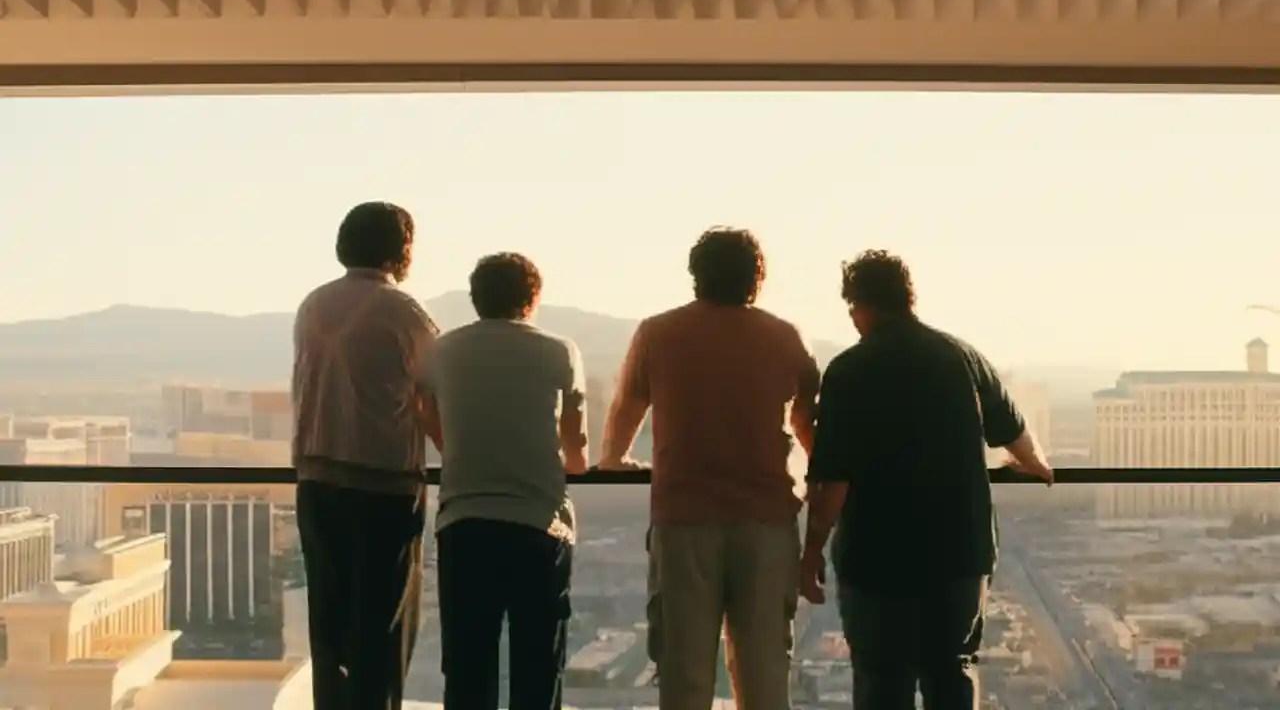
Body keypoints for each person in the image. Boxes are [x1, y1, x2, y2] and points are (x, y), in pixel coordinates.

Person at [800, 250, 1054, 710]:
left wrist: (812, 548)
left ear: (860, 305)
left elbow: (833, 478)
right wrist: (1037, 465)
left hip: (877, 560)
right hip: (959, 554)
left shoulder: (848, 371)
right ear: (908, 298)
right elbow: (1016, 435)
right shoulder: (962, 357)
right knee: (952, 672)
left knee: (881, 682)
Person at [600, 226, 820, 710]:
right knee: (764, 672)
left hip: (684, 519)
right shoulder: (785, 337)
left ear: (696, 275)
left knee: (683, 671)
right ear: (756, 278)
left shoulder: (657, 333)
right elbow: (809, 424)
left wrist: (613, 462)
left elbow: (626, 409)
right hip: (767, 520)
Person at [292, 201, 442, 710]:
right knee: (382, 630)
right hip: (383, 486)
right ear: (401, 249)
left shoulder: (312, 305)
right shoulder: (404, 311)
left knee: (329, 628)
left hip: (316, 478)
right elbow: (437, 388)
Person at [426, 252, 589, 710]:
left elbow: (421, 404)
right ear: (533, 298)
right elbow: (577, 454)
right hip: (541, 525)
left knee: (466, 667)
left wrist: (450, 447)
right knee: (538, 667)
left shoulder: (444, 350)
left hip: (464, 522)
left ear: (475, 298)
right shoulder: (559, 351)